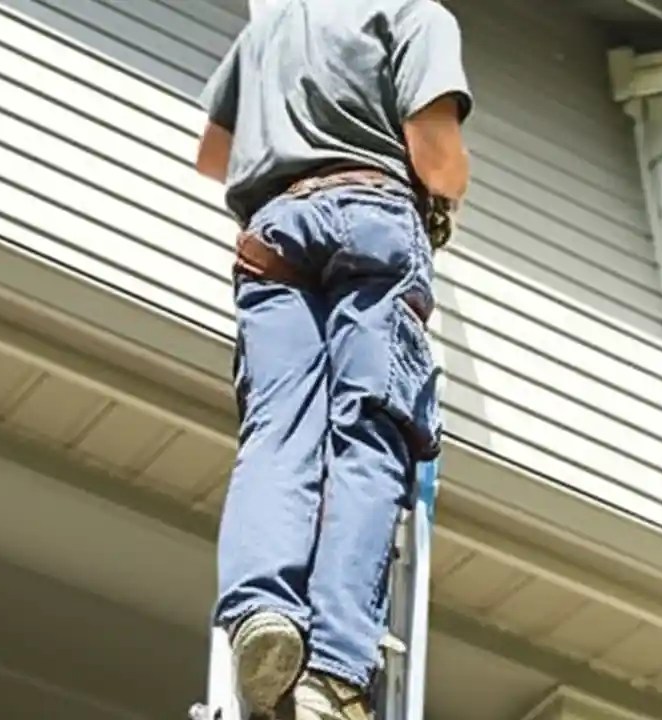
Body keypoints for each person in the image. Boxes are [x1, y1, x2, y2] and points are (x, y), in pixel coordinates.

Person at [192, 0, 472, 718]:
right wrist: (448, 195)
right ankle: (335, 673)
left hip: (274, 231)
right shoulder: (415, 14)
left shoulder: (272, 26)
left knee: (277, 431)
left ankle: (262, 613)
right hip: (374, 218)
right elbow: (434, 154)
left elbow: (213, 155)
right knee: (368, 435)